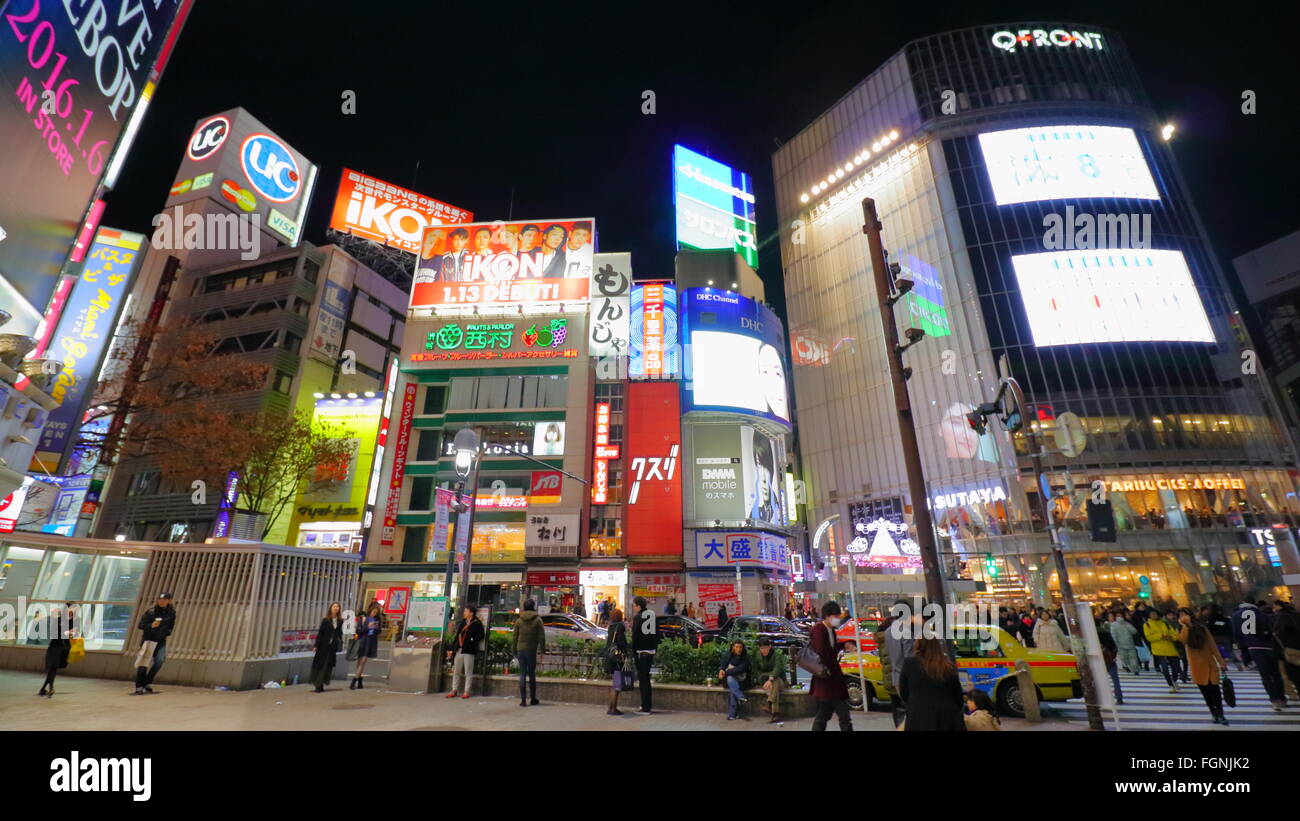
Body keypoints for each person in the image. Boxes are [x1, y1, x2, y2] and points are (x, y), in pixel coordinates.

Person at [1231, 599, 1287, 710]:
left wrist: (1244, 647)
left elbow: (1236, 634)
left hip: (1254, 647)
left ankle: (1274, 700)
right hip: (1269, 646)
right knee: (1275, 673)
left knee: (1265, 675)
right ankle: (1282, 697)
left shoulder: (1236, 616)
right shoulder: (1261, 613)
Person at [900, 637, 966, 731]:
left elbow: (904, 693)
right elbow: (958, 696)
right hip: (947, 717)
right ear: (937, 646)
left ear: (918, 646)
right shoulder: (947, 665)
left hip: (918, 717)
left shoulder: (909, 664)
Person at [1179, 611, 1229, 725]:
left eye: (1185, 615)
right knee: (1206, 693)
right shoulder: (1183, 630)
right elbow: (1183, 640)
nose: (1183, 617)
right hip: (1196, 667)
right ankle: (1214, 713)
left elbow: (1212, 645)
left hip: (1209, 664)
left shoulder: (1202, 628)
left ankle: (1221, 714)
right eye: (1181, 615)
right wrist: (1186, 626)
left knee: (1215, 691)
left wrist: (1221, 661)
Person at [810, 601, 853, 731]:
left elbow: (831, 649)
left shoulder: (831, 630)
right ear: (827, 616)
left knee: (824, 714)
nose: (837, 619)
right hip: (826, 679)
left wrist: (843, 645)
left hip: (831, 680)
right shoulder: (819, 629)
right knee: (841, 713)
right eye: (836, 616)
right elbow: (821, 651)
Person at [133, 592, 176, 695]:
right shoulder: (151, 612)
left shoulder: (171, 613)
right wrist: (151, 625)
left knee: (160, 660)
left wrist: (167, 632)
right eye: (160, 599)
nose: (161, 601)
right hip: (148, 640)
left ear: (169, 601)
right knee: (143, 663)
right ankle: (139, 686)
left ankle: (147, 682)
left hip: (160, 641)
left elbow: (171, 625)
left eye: (164, 600)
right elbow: (141, 625)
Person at [446, 605, 484, 699]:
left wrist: (472, 639)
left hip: (469, 650)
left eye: (466, 611)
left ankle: (467, 691)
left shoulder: (477, 623)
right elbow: (457, 635)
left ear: (471, 613)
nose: (464, 613)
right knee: (456, 671)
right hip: (459, 649)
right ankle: (454, 690)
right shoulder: (462, 622)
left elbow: (481, 635)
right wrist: (453, 648)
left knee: (468, 671)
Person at [513, 599, 546, 707]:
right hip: (531, 650)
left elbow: (515, 636)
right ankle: (533, 698)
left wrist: (514, 650)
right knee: (531, 673)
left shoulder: (519, 620)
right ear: (533, 606)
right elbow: (542, 637)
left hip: (520, 649)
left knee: (522, 673)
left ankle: (523, 700)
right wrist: (542, 651)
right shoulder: (538, 620)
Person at [38, 604, 75, 697]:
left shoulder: (71, 621)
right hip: (55, 646)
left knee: (53, 668)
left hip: (64, 648)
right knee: (53, 667)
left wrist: (72, 633)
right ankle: (51, 688)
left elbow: (71, 633)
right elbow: (55, 633)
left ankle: (43, 689)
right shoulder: (59, 620)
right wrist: (68, 632)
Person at [631, 596, 659, 714]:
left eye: (634, 605)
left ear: (639, 606)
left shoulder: (638, 617)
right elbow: (657, 634)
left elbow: (635, 635)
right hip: (650, 651)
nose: (633, 608)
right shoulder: (652, 615)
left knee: (643, 680)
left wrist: (633, 650)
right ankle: (647, 706)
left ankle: (645, 707)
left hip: (641, 652)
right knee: (646, 678)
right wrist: (654, 648)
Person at [1144, 608, 1182, 693]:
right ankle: (1170, 685)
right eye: (1151, 614)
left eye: (1155, 613)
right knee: (1165, 668)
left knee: (1175, 667)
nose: (1154, 615)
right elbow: (1149, 637)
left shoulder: (1165, 623)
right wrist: (1161, 636)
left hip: (1170, 648)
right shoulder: (1147, 625)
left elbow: (1174, 634)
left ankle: (1175, 680)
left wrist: (1171, 637)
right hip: (1158, 650)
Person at [310, 602, 344, 693]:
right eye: (334, 606)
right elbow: (320, 633)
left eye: (337, 607)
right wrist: (316, 645)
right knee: (322, 664)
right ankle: (318, 684)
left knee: (328, 665)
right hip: (323, 646)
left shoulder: (340, 621)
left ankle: (321, 683)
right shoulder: (326, 620)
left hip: (332, 647)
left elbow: (339, 633)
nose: (336, 608)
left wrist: (340, 641)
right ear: (331, 608)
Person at [752, 638, 788, 722]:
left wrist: (770, 678)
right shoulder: (757, 656)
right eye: (761, 648)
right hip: (764, 681)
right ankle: (775, 713)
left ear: (770, 647)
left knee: (776, 681)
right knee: (774, 688)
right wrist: (761, 678)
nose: (764, 650)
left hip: (779, 681)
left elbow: (777, 668)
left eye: (765, 648)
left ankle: (769, 703)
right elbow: (756, 670)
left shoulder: (776, 655)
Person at [350, 602, 382, 690]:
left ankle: (354, 680)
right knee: (359, 662)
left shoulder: (377, 619)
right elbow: (358, 631)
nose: (374, 613)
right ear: (370, 610)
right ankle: (359, 680)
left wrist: (376, 627)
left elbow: (379, 631)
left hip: (371, 641)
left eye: (376, 612)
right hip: (363, 640)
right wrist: (368, 626)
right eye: (374, 611)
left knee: (363, 661)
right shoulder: (363, 618)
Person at [718, 640, 751, 720]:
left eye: (740, 647)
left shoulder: (745, 657)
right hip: (730, 680)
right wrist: (721, 670)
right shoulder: (728, 655)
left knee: (733, 688)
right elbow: (722, 665)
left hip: (742, 680)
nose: (738, 649)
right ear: (733, 647)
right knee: (731, 681)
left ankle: (732, 714)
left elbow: (740, 669)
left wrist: (727, 671)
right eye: (736, 647)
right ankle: (740, 697)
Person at [605, 608, 628, 716]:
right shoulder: (620, 627)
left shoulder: (611, 626)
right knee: (616, 685)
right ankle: (613, 709)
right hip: (617, 659)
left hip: (610, 657)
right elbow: (622, 643)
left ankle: (611, 707)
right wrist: (626, 652)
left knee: (614, 683)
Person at [1273, 603, 1300, 697]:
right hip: (1297, 650)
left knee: (1289, 676)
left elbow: (1275, 639)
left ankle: (1293, 694)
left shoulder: (1279, 621)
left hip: (1287, 654)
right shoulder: (1296, 617)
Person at [1096, 619, 1125, 704]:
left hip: (1098, 660)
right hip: (1109, 658)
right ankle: (1119, 697)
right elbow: (1114, 646)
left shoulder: (1090, 636)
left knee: (1100, 681)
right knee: (1115, 679)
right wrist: (1113, 656)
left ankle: (1103, 699)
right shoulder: (1106, 633)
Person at [1107, 611, 1140, 675]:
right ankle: (1135, 669)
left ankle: (1127, 666)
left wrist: (1116, 643)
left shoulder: (1113, 625)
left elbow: (1113, 635)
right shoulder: (1126, 623)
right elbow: (1134, 631)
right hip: (1130, 642)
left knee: (1124, 657)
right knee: (1133, 657)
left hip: (1120, 644)